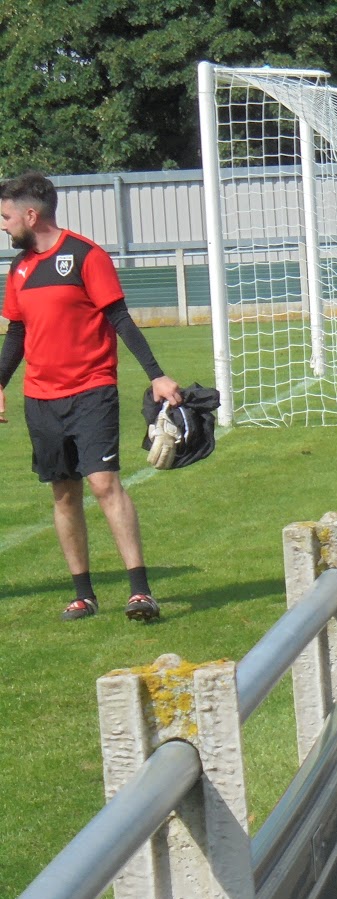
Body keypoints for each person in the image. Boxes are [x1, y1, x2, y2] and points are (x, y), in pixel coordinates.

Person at [0, 171, 182, 621]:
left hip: (92, 391)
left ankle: (140, 591)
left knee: (103, 484)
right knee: (63, 493)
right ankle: (84, 594)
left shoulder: (85, 255)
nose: (3, 226)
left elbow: (120, 319)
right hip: (41, 398)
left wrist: (157, 375)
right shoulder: (18, 268)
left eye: (5, 216)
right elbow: (17, 332)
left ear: (30, 214)